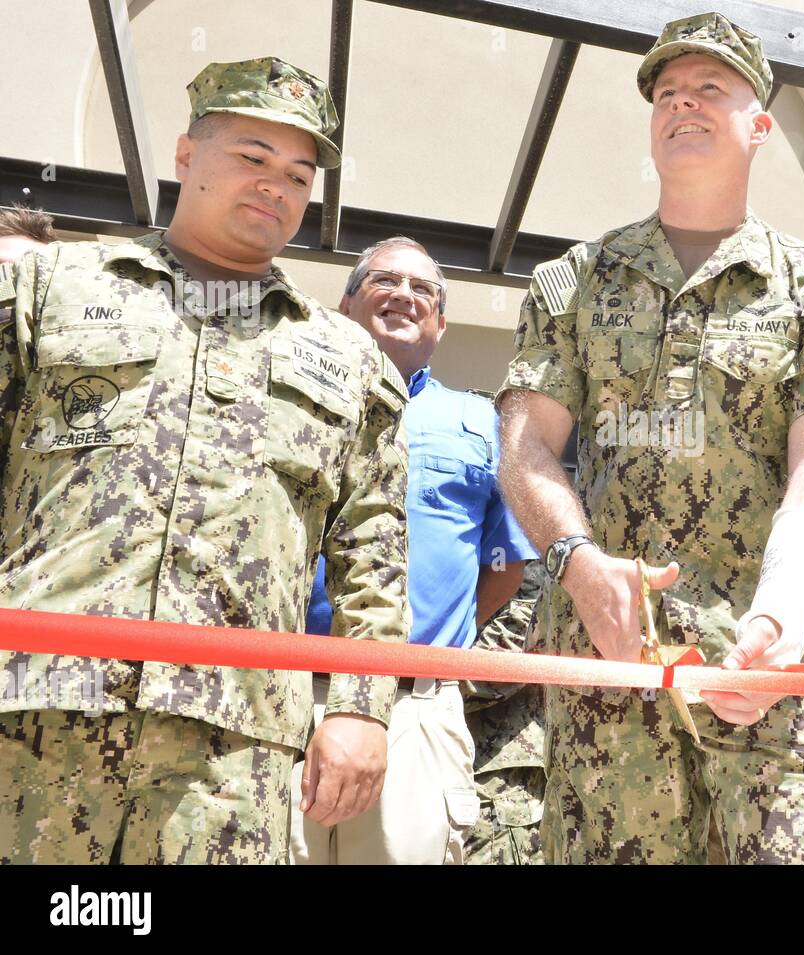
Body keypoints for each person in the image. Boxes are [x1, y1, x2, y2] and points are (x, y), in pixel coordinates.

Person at [0, 58, 411, 864]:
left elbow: (374, 547)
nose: (276, 186)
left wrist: (362, 707)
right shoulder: (50, 286)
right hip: (34, 719)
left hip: (231, 754)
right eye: (252, 158)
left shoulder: (347, 358)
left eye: (298, 174)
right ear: (186, 157)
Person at [497, 12, 804, 865]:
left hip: (769, 669)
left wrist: (780, 613)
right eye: (668, 92)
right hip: (615, 673)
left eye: (711, 88)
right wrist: (575, 562)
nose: (684, 104)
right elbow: (526, 446)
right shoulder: (576, 279)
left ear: (759, 124)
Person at [291, 237, 536, 865]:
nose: (404, 294)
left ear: (442, 322)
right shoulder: (288, 401)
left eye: (424, 289)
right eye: (384, 280)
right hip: (285, 698)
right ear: (344, 303)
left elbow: (502, 565)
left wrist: (440, 644)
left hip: (417, 710)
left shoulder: (481, 423)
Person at [461, 558, 547, 864]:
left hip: (498, 774)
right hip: (413, 746)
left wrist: (416, 683)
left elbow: (525, 630)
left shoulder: (527, 519)